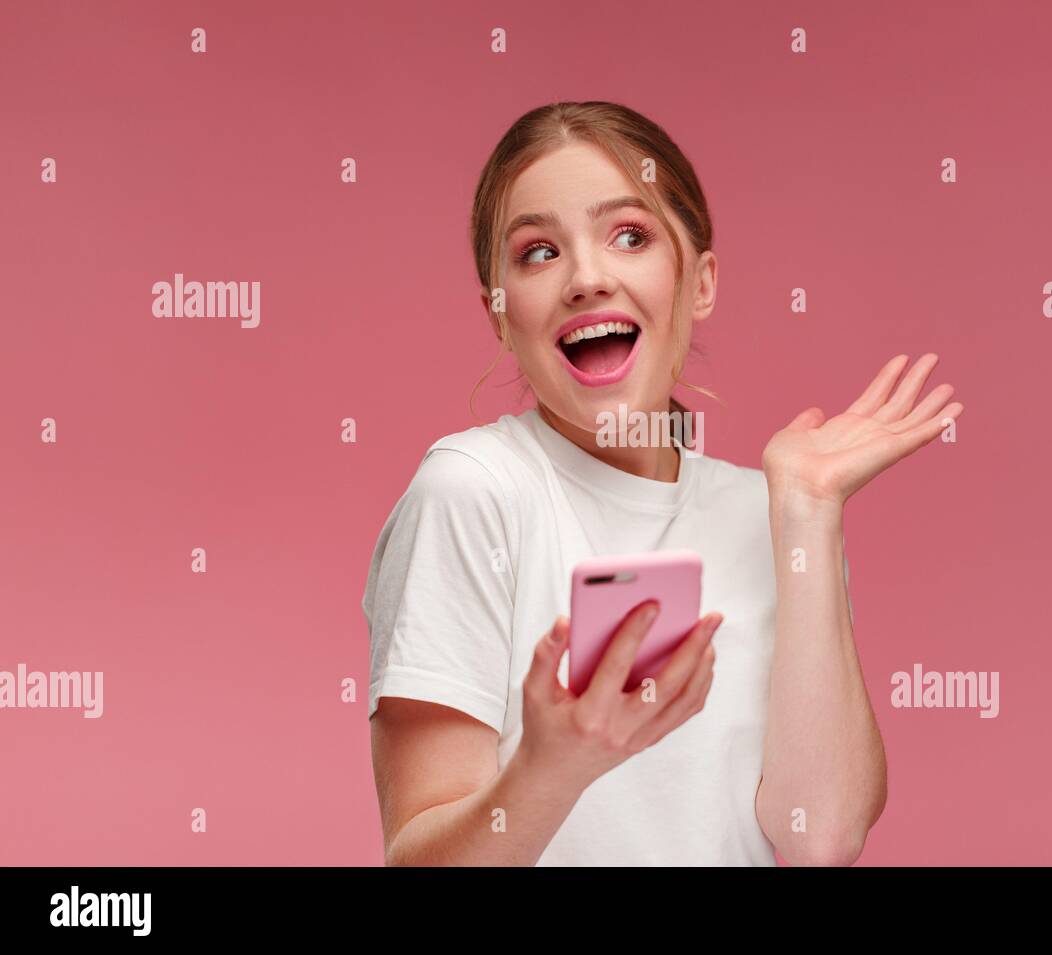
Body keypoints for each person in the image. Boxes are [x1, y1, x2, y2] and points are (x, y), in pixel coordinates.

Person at [362, 101, 963, 866]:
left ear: (700, 281)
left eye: (630, 236)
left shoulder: (768, 513)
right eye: (539, 253)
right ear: (499, 313)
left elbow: (823, 836)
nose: (586, 277)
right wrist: (556, 765)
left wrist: (809, 512)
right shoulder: (474, 493)